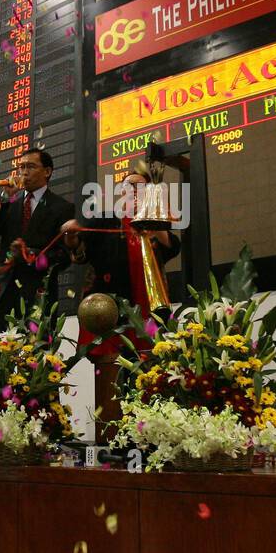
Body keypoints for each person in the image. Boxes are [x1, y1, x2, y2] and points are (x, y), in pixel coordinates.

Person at [62, 167, 180, 440]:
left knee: (149, 369)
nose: (134, 192)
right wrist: (72, 237)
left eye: (140, 188)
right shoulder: (104, 221)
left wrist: (155, 221)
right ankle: (110, 435)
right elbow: (80, 253)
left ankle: (148, 436)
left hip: (147, 310)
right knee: (111, 370)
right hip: (109, 312)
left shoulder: (156, 224)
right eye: (129, 187)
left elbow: (170, 246)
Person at [0, 148, 75, 332]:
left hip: (38, 297)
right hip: (2, 295)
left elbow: (63, 256)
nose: (24, 172)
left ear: (47, 172)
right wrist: (4, 198)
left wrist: (30, 254)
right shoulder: (6, 203)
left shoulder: (62, 207)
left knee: (33, 358)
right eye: (21, 167)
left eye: (30, 166)